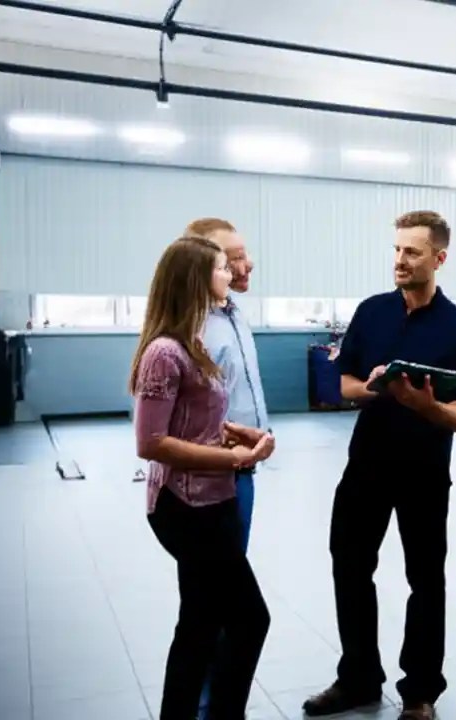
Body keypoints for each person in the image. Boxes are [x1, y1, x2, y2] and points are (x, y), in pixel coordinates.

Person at [303, 211, 456, 720]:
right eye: (397, 250)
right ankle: (358, 678)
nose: (400, 261)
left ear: (439, 259)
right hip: (365, 465)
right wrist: (376, 386)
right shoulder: (372, 313)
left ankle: (421, 692)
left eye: (412, 252)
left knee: (425, 579)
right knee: (350, 566)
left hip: (425, 473)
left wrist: (421, 405)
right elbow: (340, 385)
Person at [130, 235, 273, 720]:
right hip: (184, 506)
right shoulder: (165, 353)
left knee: (200, 622)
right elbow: (151, 443)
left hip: (214, 500)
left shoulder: (196, 345)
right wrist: (233, 460)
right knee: (249, 620)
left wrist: (240, 436)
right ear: (196, 280)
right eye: (220, 268)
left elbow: (200, 423)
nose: (231, 275)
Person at [183, 217, 275, 720]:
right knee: (212, 601)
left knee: (220, 597)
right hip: (209, 481)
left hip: (242, 474)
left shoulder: (233, 313)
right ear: (205, 266)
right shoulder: (191, 326)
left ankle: (219, 703)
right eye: (232, 258)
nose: (247, 264)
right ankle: (204, 708)